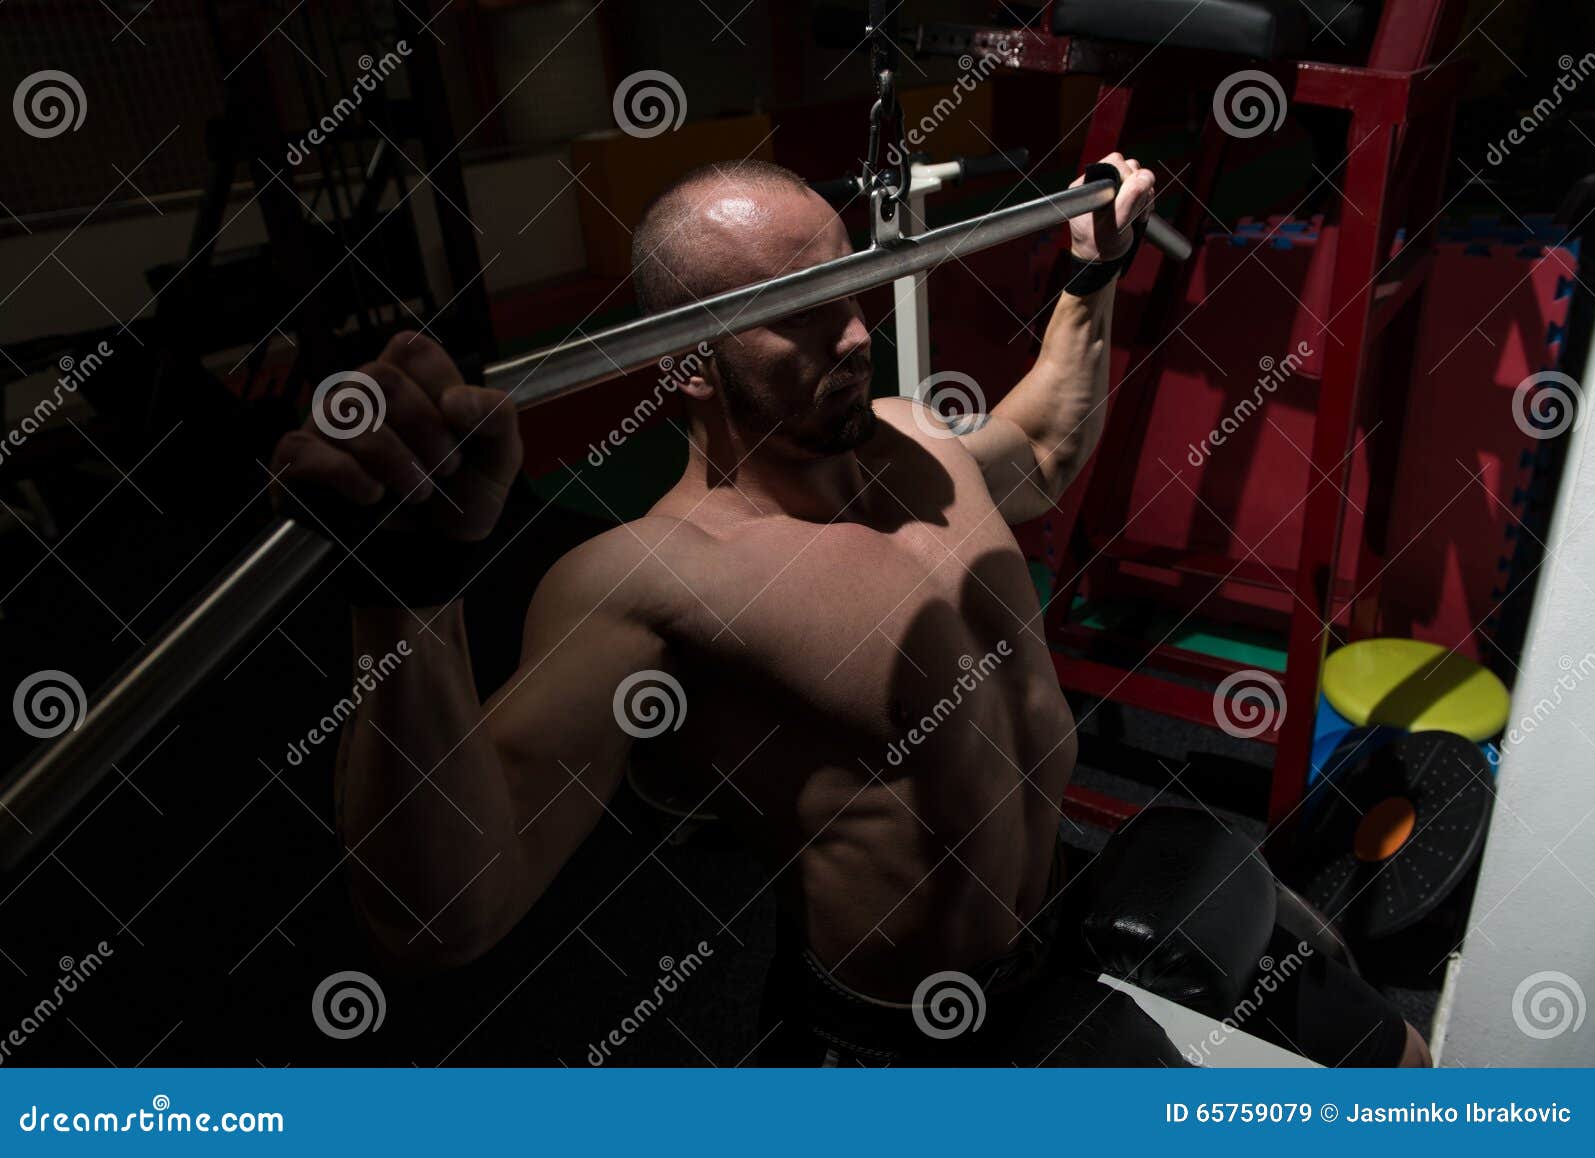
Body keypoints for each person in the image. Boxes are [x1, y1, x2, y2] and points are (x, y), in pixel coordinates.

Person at [271, 153, 1426, 1065]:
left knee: (1363, 1029)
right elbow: (444, 913)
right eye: (802, 313)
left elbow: (1037, 443)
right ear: (686, 364)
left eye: (853, 290)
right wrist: (405, 593)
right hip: (901, 1038)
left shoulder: (918, 440)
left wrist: (1090, 272)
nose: (861, 332)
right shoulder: (644, 580)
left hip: (1059, 897)